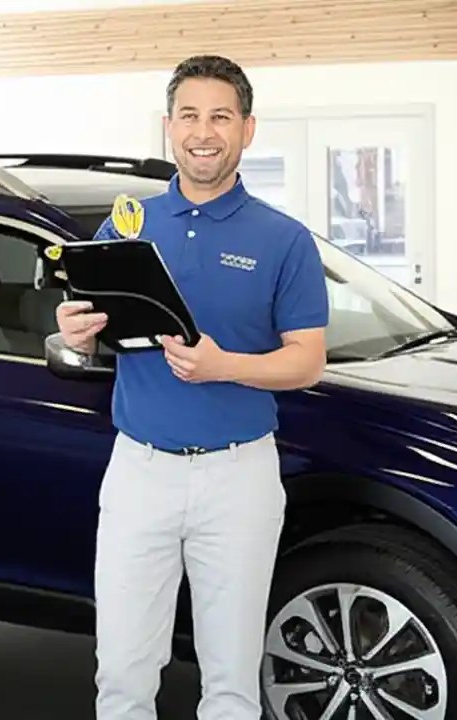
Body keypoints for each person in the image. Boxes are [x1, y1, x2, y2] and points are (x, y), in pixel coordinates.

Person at [55, 54, 330, 719]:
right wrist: (72, 331)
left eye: (220, 116)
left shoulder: (285, 240)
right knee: (121, 672)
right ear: (168, 126)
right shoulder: (126, 228)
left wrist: (223, 365)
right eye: (189, 116)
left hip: (239, 480)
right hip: (138, 472)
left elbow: (307, 362)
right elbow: (88, 335)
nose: (203, 132)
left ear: (247, 128)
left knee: (232, 679)